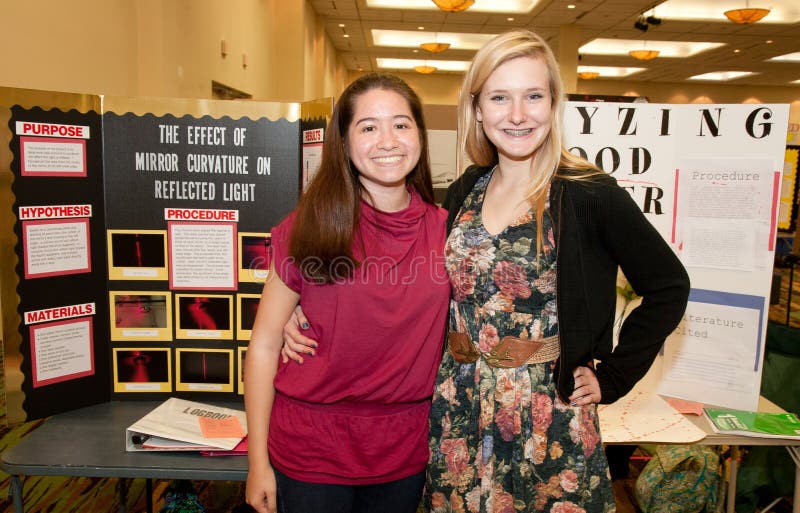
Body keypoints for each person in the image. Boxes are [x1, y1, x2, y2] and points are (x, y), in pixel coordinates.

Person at [283, 29, 690, 513]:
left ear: (553, 104)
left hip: (546, 415)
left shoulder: (589, 193)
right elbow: (402, 277)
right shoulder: (464, 192)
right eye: (500, 97)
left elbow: (668, 286)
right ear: (477, 109)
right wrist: (302, 308)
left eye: (533, 96)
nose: (517, 115)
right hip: (456, 405)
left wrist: (616, 375)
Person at [244, 73, 450, 513]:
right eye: (368, 127)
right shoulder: (308, 228)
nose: (388, 140)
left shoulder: (449, 231)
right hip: (310, 451)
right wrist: (257, 461)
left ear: (419, 134)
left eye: (401, 124)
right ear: (344, 140)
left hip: (403, 450)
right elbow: (263, 345)